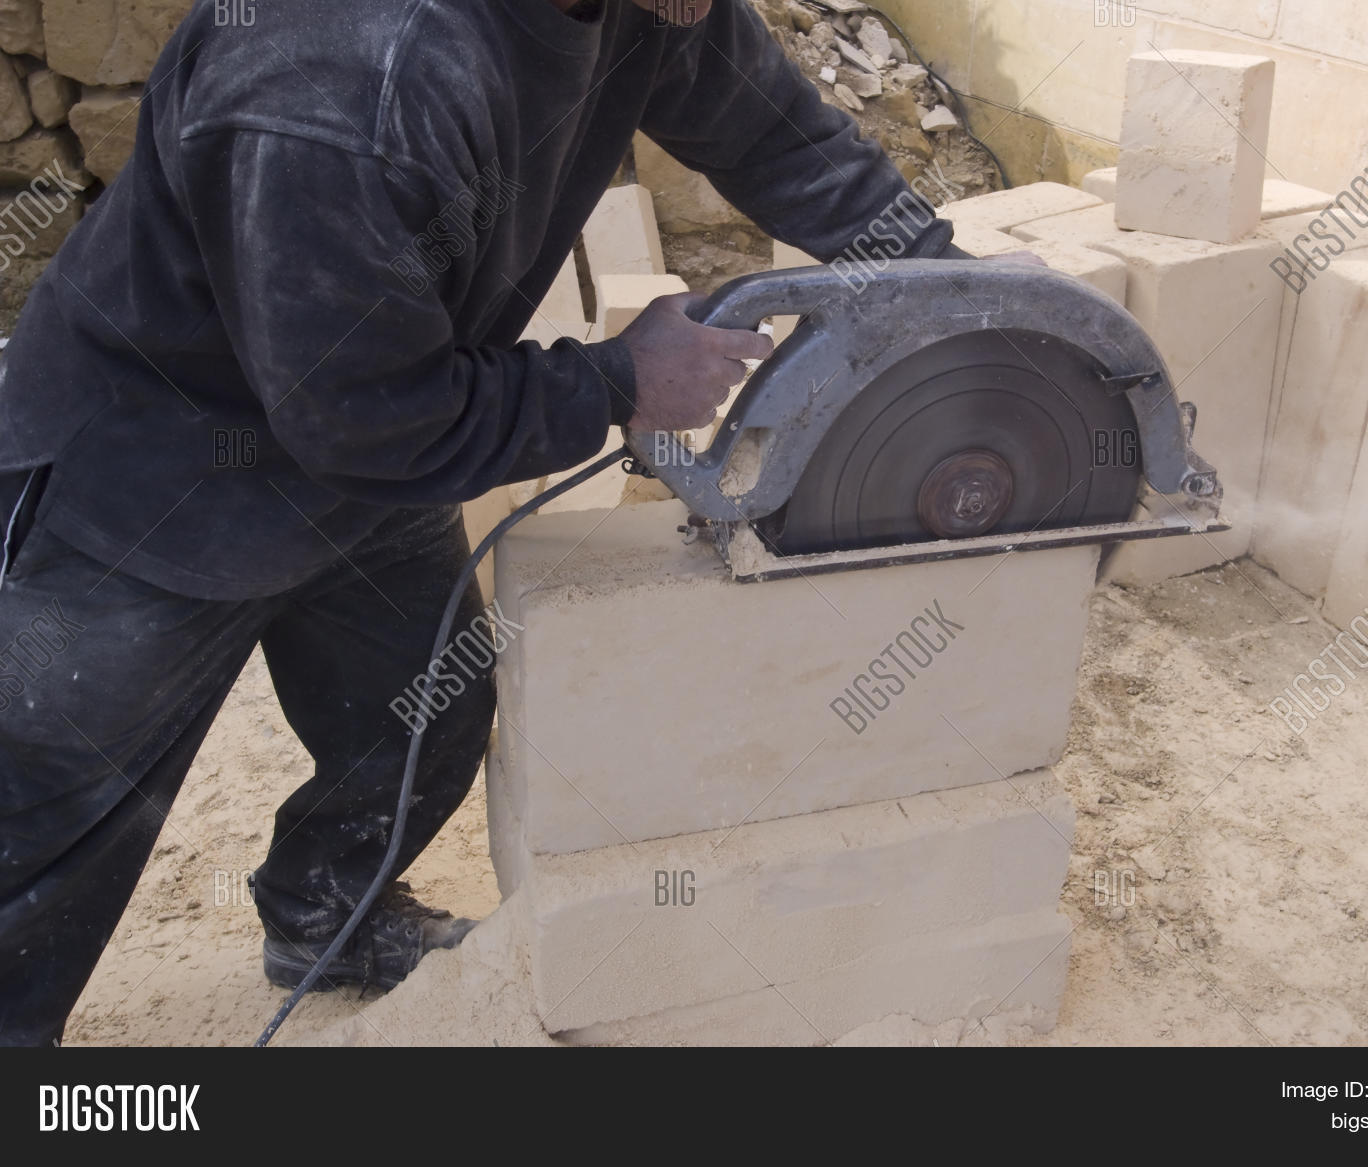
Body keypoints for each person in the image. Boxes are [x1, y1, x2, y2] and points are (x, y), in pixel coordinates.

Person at [0, 0, 966, 1046]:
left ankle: (329, 911)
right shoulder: (341, 79)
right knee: (46, 820)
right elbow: (361, 412)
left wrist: (946, 293)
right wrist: (615, 382)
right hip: (156, 473)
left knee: (419, 712)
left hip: (378, 422)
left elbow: (773, 134)